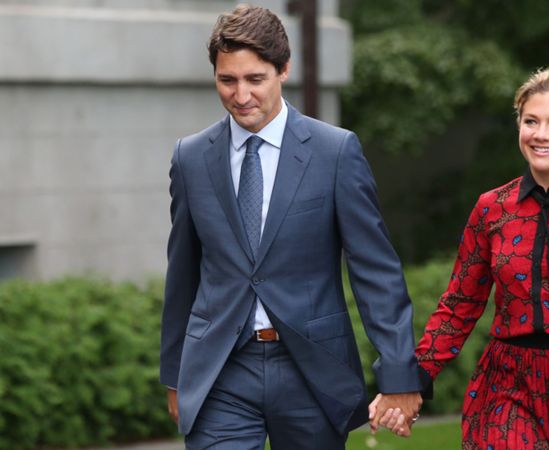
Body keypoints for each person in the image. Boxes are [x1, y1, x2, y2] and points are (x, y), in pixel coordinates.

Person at [159, 5, 422, 449]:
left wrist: (398, 372)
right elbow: (182, 272)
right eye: (228, 80)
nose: (241, 95)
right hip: (221, 370)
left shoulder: (335, 152)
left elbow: (375, 271)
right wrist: (175, 375)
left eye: (254, 79)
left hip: (311, 371)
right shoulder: (191, 157)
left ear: (284, 69)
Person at [376, 68, 549, 449]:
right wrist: (412, 378)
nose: (541, 134)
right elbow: (459, 305)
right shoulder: (492, 209)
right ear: (519, 124)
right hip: (508, 385)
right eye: (531, 121)